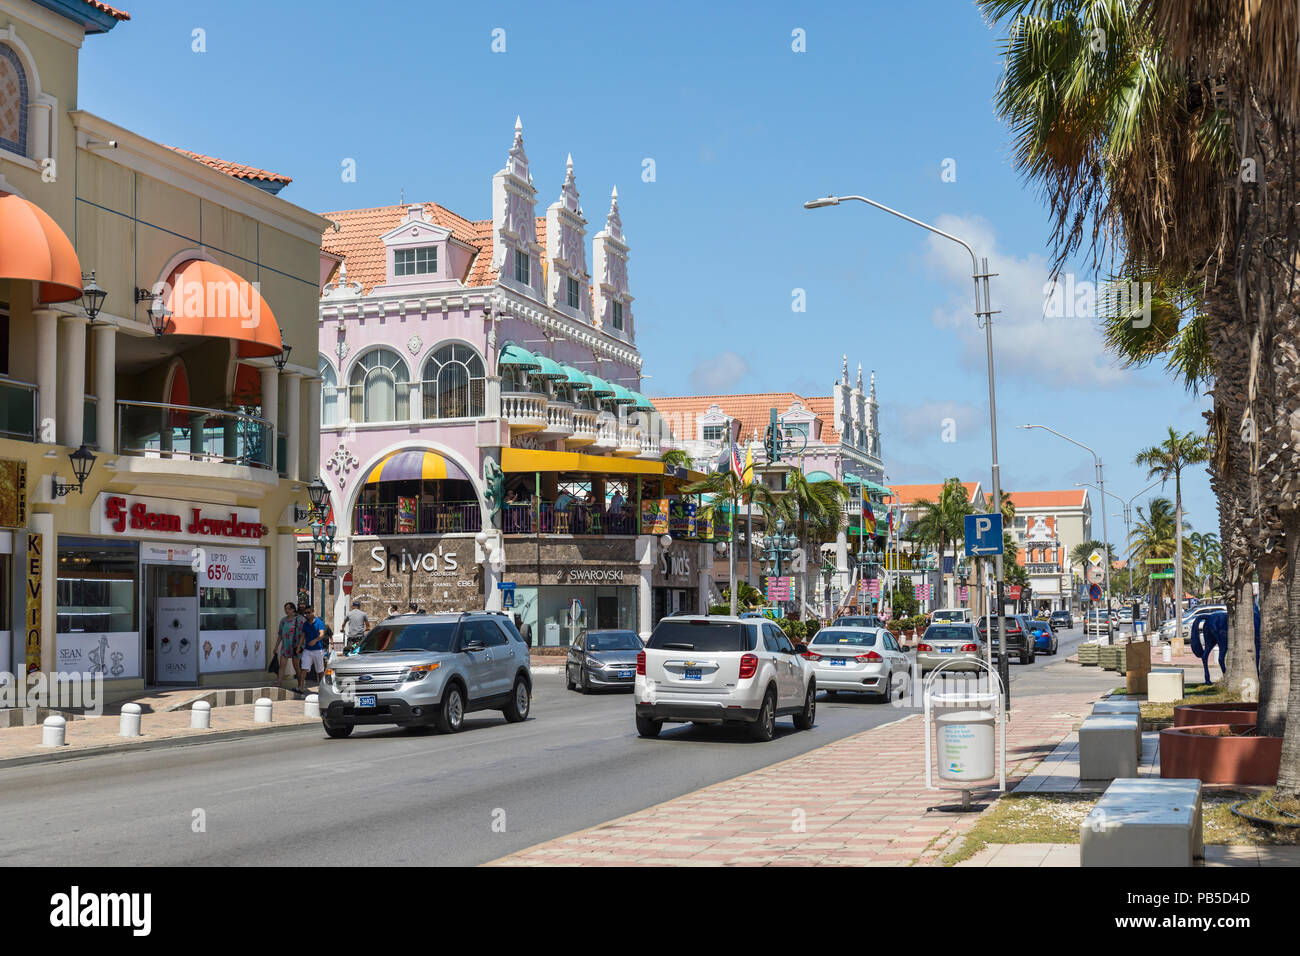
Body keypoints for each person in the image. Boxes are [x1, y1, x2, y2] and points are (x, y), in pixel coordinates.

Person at [298, 606, 328, 693]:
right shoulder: (305, 624)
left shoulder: (319, 622)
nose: (307, 615)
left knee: (320, 670)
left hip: (318, 650)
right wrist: (299, 646)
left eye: (308, 612)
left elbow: (322, 634)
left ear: (313, 612)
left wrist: (315, 640)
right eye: (305, 613)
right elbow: (303, 636)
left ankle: (322, 687)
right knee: (304, 668)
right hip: (307, 650)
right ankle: (301, 686)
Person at [274, 602, 300, 688]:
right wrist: (276, 646)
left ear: (293, 609)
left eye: (289, 608)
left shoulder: (298, 620)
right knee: (282, 666)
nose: (286, 610)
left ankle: (300, 684)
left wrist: (300, 646)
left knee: (296, 666)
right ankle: (279, 684)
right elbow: (280, 635)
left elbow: (302, 634)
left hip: (295, 647)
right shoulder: (283, 621)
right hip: (285, 646)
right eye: (285, 608)